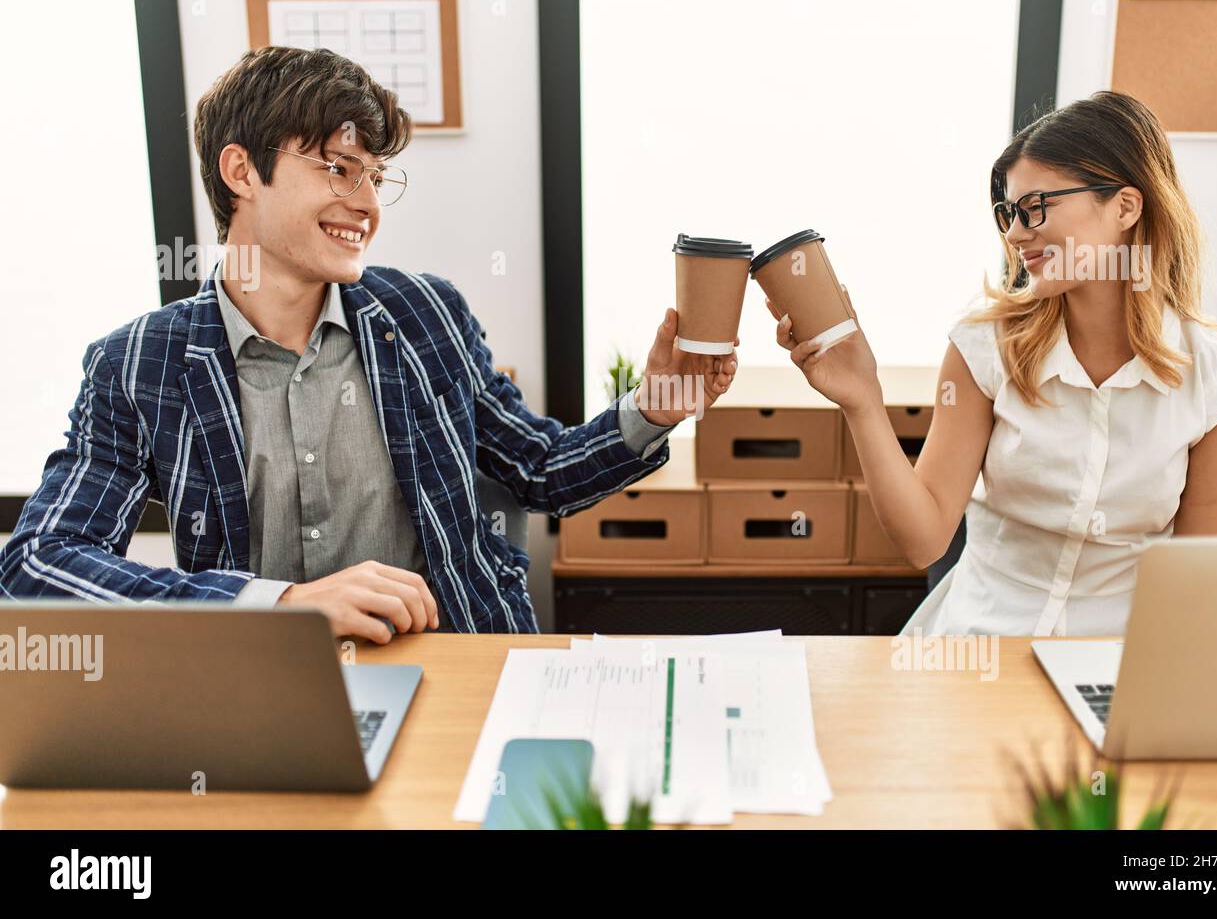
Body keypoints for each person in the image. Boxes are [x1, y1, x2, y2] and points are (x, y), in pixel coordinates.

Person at [0, 46, 739, 641]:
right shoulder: (137, 365)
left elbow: (542, 471)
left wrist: (659, 403)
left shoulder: (424, 313)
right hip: (271, 693)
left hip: (462, 663)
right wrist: (277, 604)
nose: (366, 204)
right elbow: (38, 564)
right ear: (240, 172)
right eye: (338, 169)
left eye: (377, 177)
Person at [770, 91, 1217, 636]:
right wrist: (863, 401)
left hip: (1116, 659)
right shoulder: (983, 348)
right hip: (978, 645)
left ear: (1125, 206)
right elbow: (923, 541)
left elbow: (1193, 594)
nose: (1014, 233)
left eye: (1036, 208)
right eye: (1008, 213)